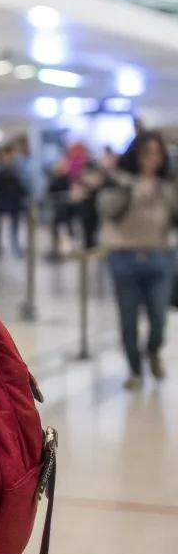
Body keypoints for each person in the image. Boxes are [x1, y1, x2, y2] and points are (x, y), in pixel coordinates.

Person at [97, 131, 178, 389]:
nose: (152, 159)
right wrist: (122, 187)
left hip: (160, 256)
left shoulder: (167, 186)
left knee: (159, 317)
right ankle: (134, 369)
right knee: (128, 317)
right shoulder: (120, 182)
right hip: (125, 257)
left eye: (157, 153)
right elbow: (105, 209)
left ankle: (153, 350)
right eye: (146, 153)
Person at [0, 142, 28, 259]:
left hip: (14, 202)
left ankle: (15, 248)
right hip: (2, 202)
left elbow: (22, 185)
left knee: (15, 227)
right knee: (0, 228)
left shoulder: (17, 168)